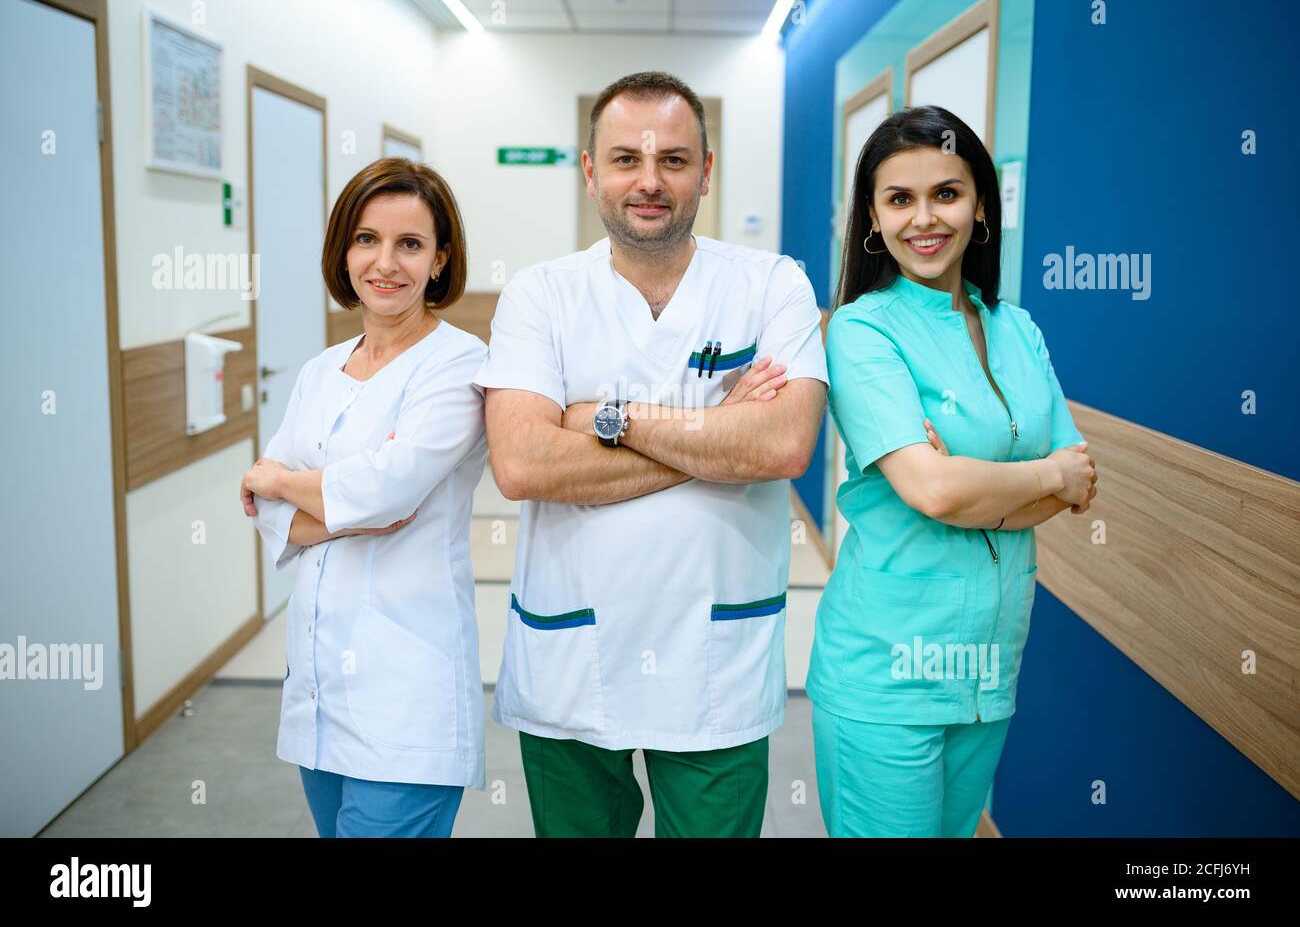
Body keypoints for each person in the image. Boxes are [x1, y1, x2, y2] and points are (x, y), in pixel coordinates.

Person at [474, 71, 828, 837]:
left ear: (707, 169)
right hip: (574, 651)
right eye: (626, 159)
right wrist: (716, 437)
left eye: (673, 159)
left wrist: (603, 417)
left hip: (717, 656)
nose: (650, 180)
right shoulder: (541, 295)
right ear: (591, 171)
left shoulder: (772, 284)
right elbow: (525, 465)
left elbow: (786, 443)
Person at [807, 105, 1098, 838]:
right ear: (872, 218)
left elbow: (1079, 481)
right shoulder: (862, 329)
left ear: (981, 206)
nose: (923, 219)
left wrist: (981, 483)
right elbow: (933, 490)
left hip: (988, 671)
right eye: (899, 199)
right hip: (885, 672)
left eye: (947, 192)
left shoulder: (1018, 327)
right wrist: (1035, 477)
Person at [239, 157, 487, 838]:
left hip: (407, 693)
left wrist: (285, 483)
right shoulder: (322, 371)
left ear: (440, 260)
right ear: (343, 251)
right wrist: (322, 503)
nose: (386, 263)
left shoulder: (460, 364)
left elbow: (385, 493)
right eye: (367, 239)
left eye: (411, 244)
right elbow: (274, 518)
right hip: (318, 686)